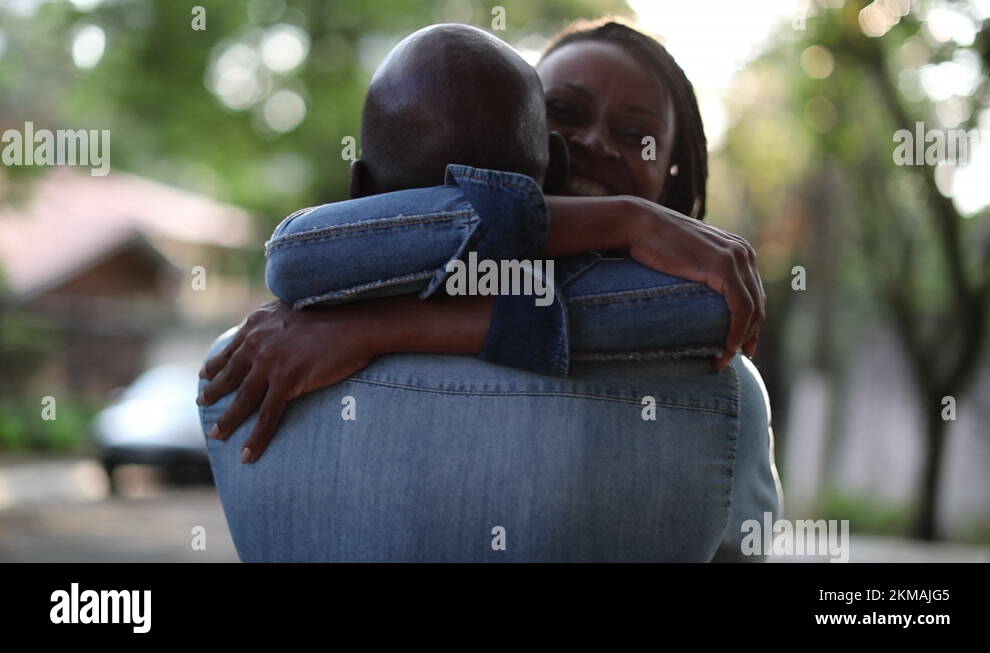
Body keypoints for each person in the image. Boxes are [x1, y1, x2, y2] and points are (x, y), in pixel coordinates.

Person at [198, 21, 782, 561]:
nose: (596, 144)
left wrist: (375, 328)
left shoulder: (252, 361)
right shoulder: (719, 389)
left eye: (635, 135)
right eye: (563, 112)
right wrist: (629, 219)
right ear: (542, 157)